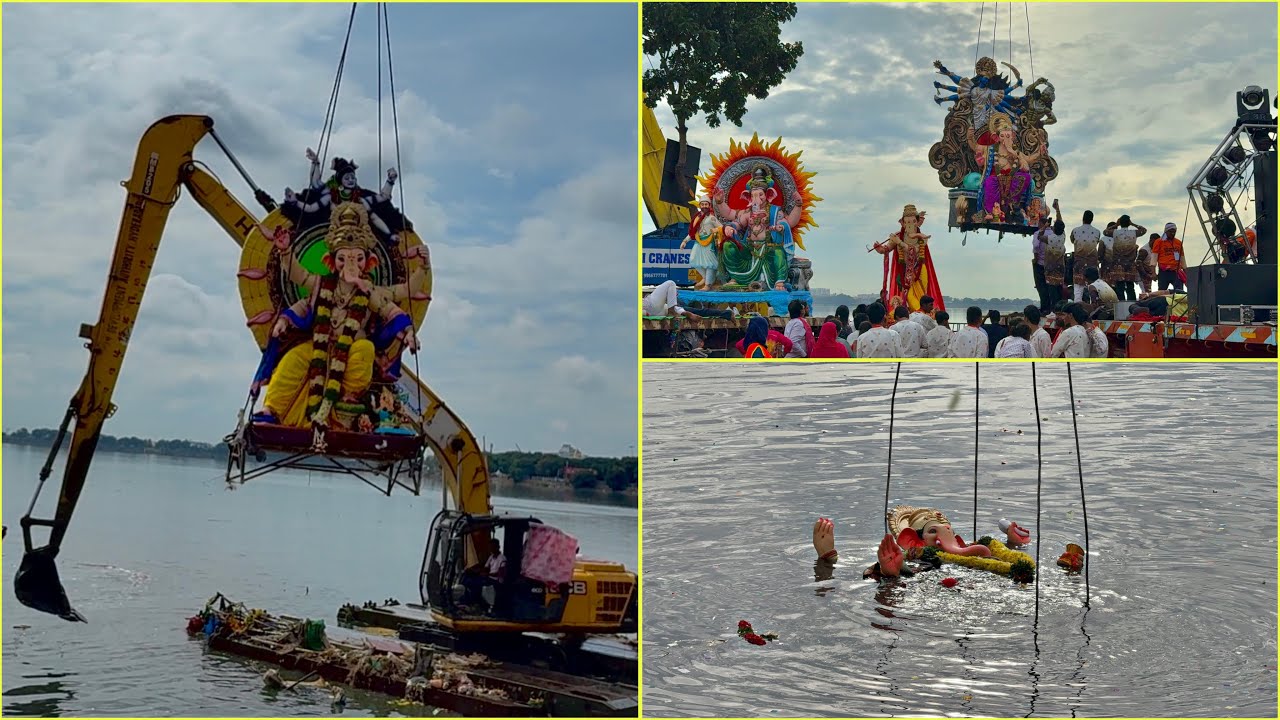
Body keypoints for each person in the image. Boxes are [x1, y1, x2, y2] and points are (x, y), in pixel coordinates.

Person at [258, 203, 420, 431]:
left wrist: (409, 333)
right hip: (318, 346)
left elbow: (392, 310)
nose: (350, 264)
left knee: (365, 350)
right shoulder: (322, 284)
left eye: (357, 258)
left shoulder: (370, 292)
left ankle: (347, 399)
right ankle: (271, 409)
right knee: (292, 360)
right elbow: (299, 279)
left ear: (369, 262)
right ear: (331, 262)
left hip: (352, 349)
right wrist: (285, 252)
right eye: (343, 259)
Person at [1103, 214, 1146, 302]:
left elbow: (1105, 232)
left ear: (1120, 223)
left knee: (1120, 286)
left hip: (1118, 265)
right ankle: (1132, 305)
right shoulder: (1134, 232)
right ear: (1128, 223)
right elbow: (1144, 230)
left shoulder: (1115, 232)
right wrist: (1133, 224)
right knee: (1130, 286)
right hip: (1130, 264)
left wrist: (1116, 225)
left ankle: (1121, 304)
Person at [462, 538, 507, 611]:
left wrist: (488, 574)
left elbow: (500, 573)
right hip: (489, 577)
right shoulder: (491, 557)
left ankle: (477, 603)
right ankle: (467, 600)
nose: (491, 549)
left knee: (476, 584)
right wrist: (475, 571)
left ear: (498, 547)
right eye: (490, 547)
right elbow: (486, 567)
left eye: (493, 547)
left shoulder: (502, 558)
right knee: (467, 579)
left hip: (496, 581)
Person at [1070, 209, 1102, 302]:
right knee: (1094, 287)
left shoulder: (1075, 231)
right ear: (1092, 219)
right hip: (1092, 264)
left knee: (1078, 289)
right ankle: (1094, 308)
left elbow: (1073, 241)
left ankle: (1077, 308)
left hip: (1079, 263)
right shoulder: (1097, 232)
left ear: (1083, 218)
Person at [1152, 223, 1187, 291]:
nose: (1172, 233)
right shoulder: (1159, 242)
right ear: (1166, 231)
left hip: (1176, 271)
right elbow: (1154, 258)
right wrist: (1153, 272)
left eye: (1174, 232)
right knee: (1162, 291)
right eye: (1170, 231)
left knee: (1179, 292)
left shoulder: (1178, 242)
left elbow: (1182, 259)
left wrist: (1186, 272)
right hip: (1164, 271)